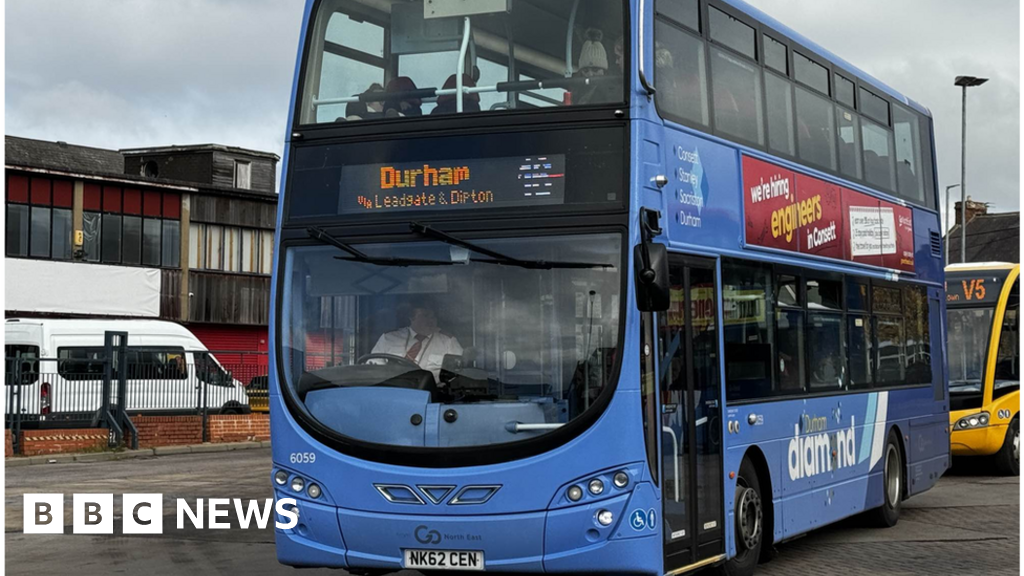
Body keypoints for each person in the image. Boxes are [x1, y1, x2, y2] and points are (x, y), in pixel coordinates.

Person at [371, 300, 463, 382]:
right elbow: (373, 369)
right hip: (393, 390)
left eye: (433, 317)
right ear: (412, 318)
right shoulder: (389, 338)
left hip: (433, 393)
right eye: (425, 316)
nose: (431, 320)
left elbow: (459, 374)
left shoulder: (448, 341)